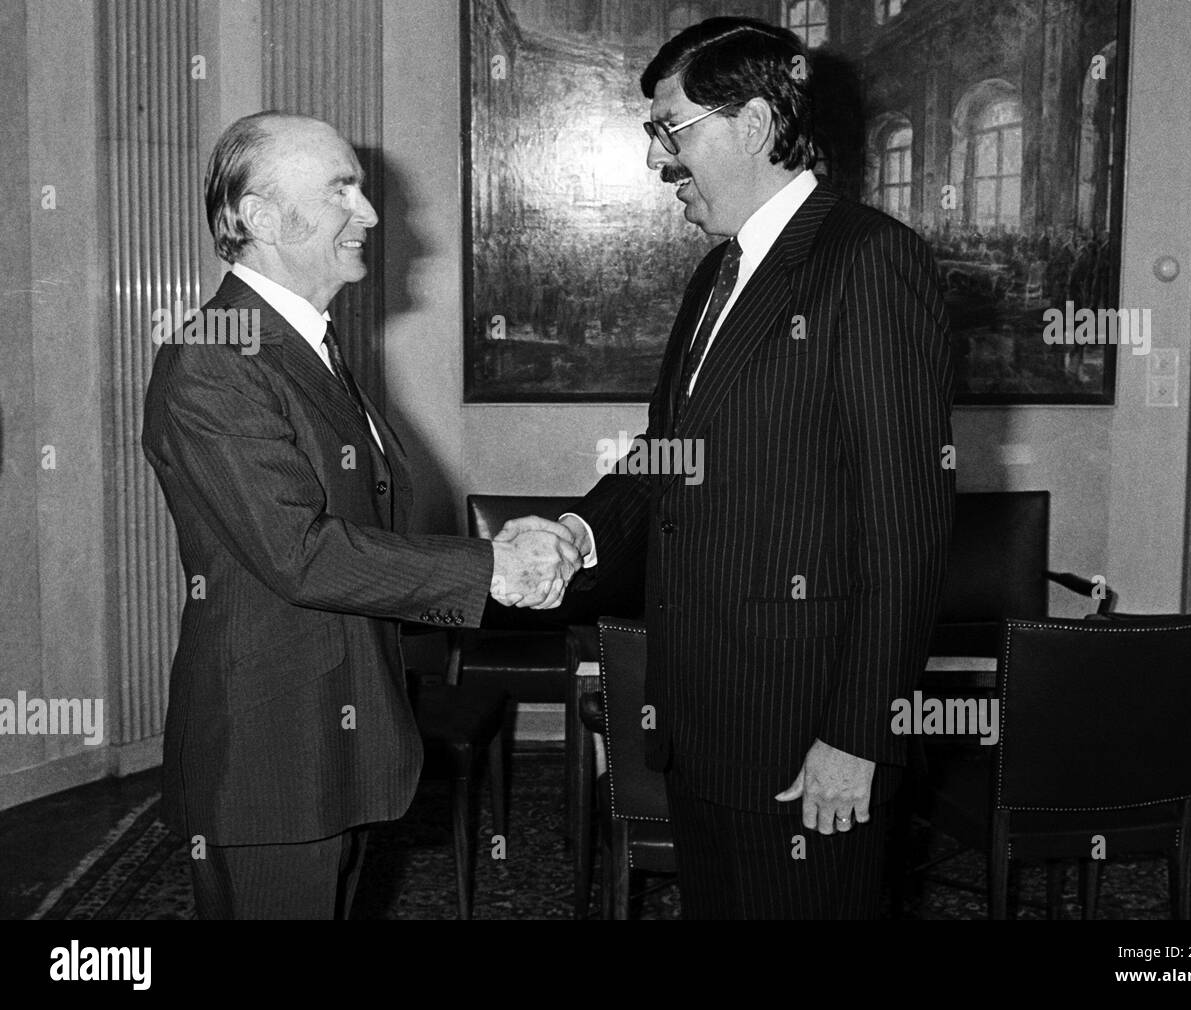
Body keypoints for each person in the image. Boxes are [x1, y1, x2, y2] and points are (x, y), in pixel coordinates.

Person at [501, 18, 955, 918]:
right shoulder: (718, 273)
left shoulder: (867, 260)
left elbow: (906, 526)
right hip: (705, 718)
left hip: (806, 732)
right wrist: (580, 532)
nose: (659, 161)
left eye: (671, 131)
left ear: (749, 124)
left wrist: (857, 737)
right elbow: (670, 459)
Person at [141, 112, 578, 919]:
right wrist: (493, 568)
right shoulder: (215, 360)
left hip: (333, 731)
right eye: (342, 189)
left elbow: (361, 530)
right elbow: (301, 553)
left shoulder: (304, 345)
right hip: (273, 754)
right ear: (262, 217)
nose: (371, 214)